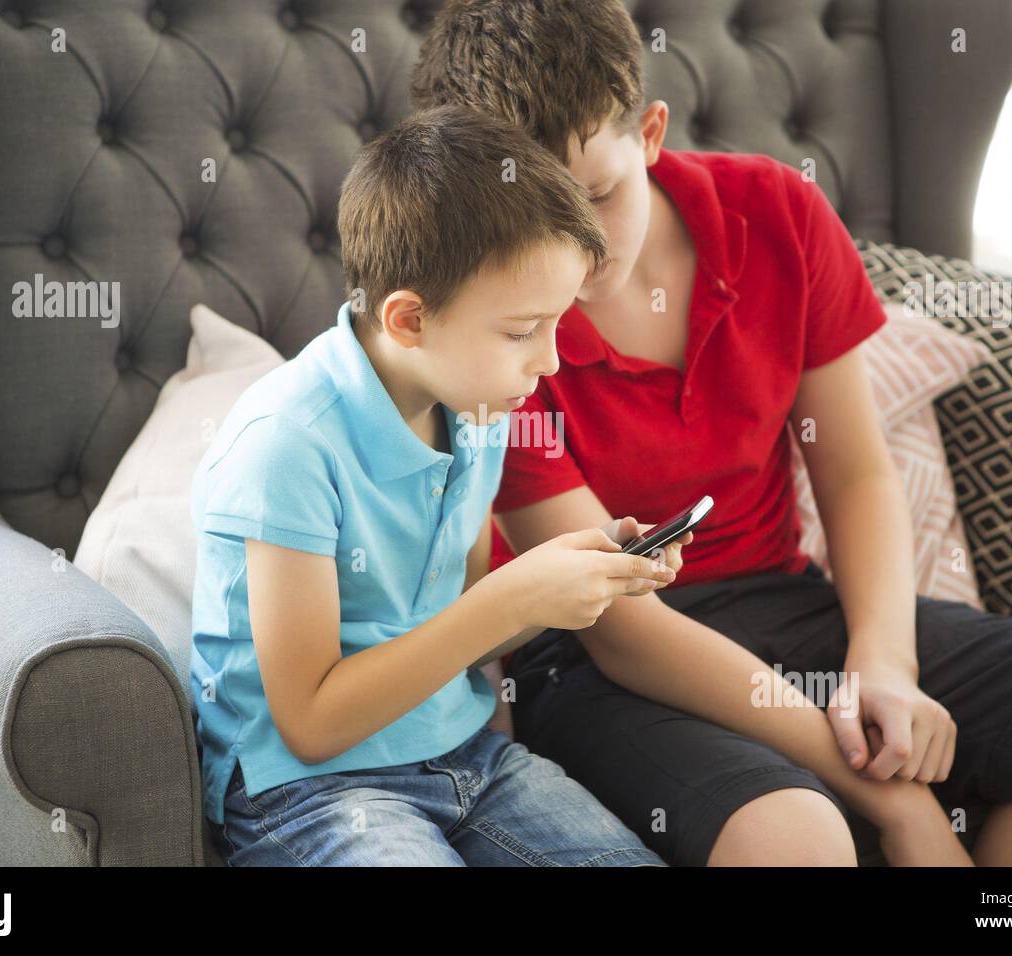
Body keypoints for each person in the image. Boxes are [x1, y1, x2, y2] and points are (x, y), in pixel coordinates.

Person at [410, 0, 1012, 866]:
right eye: (533, 220)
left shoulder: (775, 210)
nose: (573, 251)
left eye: (597, 198)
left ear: (650, 134)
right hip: (591, 655)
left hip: (780, 599)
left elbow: (854, 474)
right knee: (795, 837)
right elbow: (618, 623)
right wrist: (895, 799)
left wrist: (885, 665)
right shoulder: (491, 329)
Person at [189, 105, 674, 866]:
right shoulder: (287, 444)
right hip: (309, 785)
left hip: (464, 753)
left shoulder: (477, 408)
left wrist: (579, 579)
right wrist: (512, 599)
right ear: (409, 318)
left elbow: (454, 628)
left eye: (555, 324)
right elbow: (310, 720)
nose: (549, 362)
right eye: (522, 331)